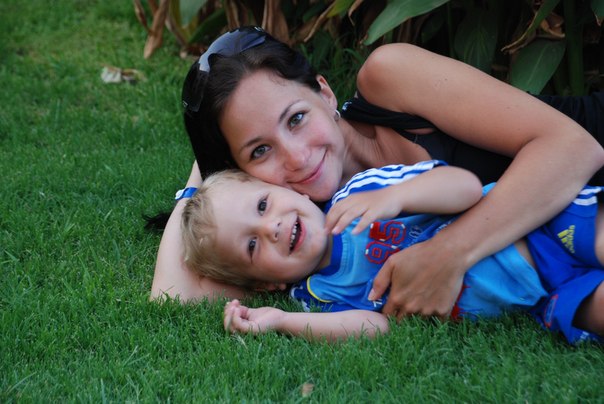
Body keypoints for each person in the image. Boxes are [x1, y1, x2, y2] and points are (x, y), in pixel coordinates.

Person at [151, 26, 604, 321]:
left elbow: (576, 148)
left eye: (296, 118)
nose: (296, 157)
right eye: (260, 150)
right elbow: (175, 297)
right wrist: (200, 186)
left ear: (325, 93)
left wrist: (449, 254)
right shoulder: (310, 235)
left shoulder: (389, 79)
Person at [181, 162, 604, 344]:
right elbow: (375, 328)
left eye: (263, 205)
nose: (270, 227)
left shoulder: (362, 192)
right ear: (265, 284)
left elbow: (467, 187)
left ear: (290, 191)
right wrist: (282, 320)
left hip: (545, 225)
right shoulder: (316, 296)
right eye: (252, 245)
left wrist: (396, 196)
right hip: (542, 296)